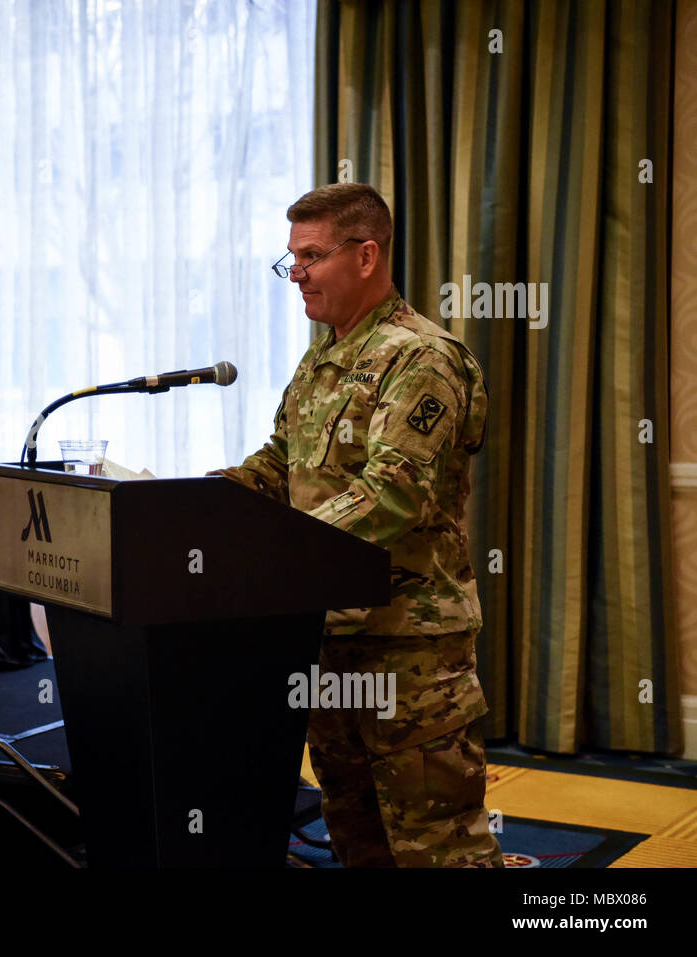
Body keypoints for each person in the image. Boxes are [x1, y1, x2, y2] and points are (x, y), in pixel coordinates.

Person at [211, 183, 503, 868]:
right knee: (357, 835)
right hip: (329, 638)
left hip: (410, 652)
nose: (298, 275)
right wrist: (198, 504)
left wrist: (274, 554)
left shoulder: (421, 357)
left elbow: (394, 492)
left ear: (366, 254)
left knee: (439, 849)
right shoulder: (321, 361)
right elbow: (280, 464)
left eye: (311, 256)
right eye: (292, 259)